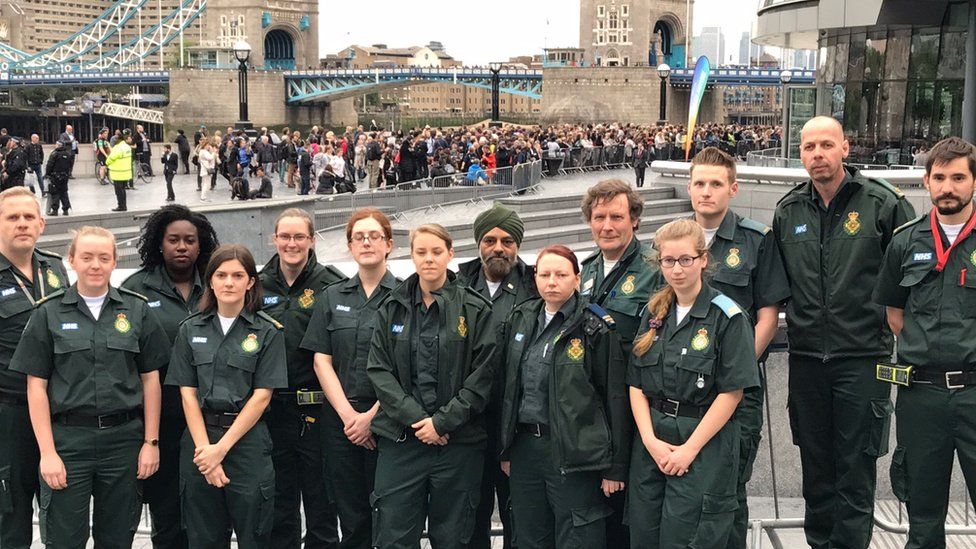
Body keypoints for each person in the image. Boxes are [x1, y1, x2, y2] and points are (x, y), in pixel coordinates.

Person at [771, 116, 915, 549]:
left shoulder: (884, 203)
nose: (817, 154)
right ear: (800, 153)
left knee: (855, 470)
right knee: (815, 469)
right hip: (807, 359)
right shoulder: (787, 210)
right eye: (809, 146)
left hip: (863, 359)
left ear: (845, 148)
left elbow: (910, 276)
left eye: (826, 145)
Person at [10, 226, 169, 548]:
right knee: (64, 538)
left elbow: (151, 379)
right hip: (69, 443)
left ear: (113, 262)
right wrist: (47, 453)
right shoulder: (48, 313)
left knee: (118, 537)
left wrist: (151, 442)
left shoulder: (136, 310)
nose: (95, 265)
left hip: (122, 442)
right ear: (72, 260)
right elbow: (36, 387)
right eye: (87, 257)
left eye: (103, 258)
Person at [627, 218, 759, 548]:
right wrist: (650, 441)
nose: (677, 269)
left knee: (689, 537)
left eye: (686, 259)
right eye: (668, 261)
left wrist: (689, 450)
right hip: (653, 443)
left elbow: (732, 393)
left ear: (702, 259)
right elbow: (636, 385)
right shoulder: (653, 313)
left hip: (701, 442)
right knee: (645, 534)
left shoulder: (727, 317)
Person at [872, 136, 976, 548]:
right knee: (923, 514)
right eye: (939, 177)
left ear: (973, 182)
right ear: (927, 182)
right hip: (923, 397)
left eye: (958, 177)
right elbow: (894, 315)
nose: (947, 186)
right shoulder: (905, 241)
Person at [366, 223, 496, 549]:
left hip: (457, 444)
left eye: (436, 252)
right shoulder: (391, 307)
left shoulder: (475, 308)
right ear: (410, 255)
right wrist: (417, 419)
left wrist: (441, 422)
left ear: (450, 254)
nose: (429, 259)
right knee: (393, 534)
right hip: (401, 442)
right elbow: (380, 371)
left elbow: (483, 375)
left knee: (454, 538)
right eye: (421, 252)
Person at [686, 147, 791, 549]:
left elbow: (767, 316)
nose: (706, 192)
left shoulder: (755, 239)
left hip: (736, 390)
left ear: (733, 188)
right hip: (683, 390)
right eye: (699, 183)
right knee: (686, 488)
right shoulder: (676, 240)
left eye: (716, 184)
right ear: (689, 188)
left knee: (730, 490)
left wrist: (736, 371)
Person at [497, 245, 627, 549]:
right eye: (544, 274)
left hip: (573, 450)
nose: (551, 281)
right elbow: (508, 389)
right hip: (526, 448)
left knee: (577, 536)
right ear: (535, 278)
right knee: (529, 535)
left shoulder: (594, 326)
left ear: (577, 279)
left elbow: (614, 399)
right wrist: (505, 449)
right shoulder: (522, 319)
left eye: (560, 274)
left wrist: (615, 467)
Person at [165, 244, 288, 548]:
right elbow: (187, 395)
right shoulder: (190, 330)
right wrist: (207, 451)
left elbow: (261, 397)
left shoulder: (267, 333)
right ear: (210, 281)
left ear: (250, 282)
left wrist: (221, 450)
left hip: (246, 444)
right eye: (221, 275)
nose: (229, 282)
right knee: (203, 537)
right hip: (199, 441)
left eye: (238, 275)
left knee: (254, 535)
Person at [301, 208, 399, 549]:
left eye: (374, 236)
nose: (367, 242)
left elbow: (408, 367)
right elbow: (321, 361)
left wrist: (371, 418)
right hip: (341, 424)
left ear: (389, 244)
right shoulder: (332, 296)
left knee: (391, 516)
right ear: (349, 246)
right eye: (359, 237)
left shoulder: (405, 297)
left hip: (389, 422)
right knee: (352, 517)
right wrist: (350, 418)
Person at [122, 204, 218, 548]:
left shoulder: (217, 282)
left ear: (200, 243)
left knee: (207, 515)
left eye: (189, 240)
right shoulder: (136, 289)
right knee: (166, 514)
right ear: (158, 244)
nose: (182, 247)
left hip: (211, 420)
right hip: (160, 421)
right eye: (173, 240)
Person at [259, 208, 345, 547]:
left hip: (319, 412)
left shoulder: (332, 285)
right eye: (285, 236)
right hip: (272, 412)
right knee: (280, 507)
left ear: (311, 240)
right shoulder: (257, 283)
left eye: (299, 237)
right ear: (274, 239)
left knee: (322, 506)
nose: (291, 243)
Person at [579, 178, 655, 547]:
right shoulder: (586, 270)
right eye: (598, 217)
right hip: (588, 408)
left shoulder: (654, 271)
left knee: (625, 517)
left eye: (616, 217)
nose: (607, 226)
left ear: (634, 220)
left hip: (632, 409)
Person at [456, 203, 538, 549]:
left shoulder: (534, 285)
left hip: (515, 424)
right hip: (468, 422)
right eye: (490, 240)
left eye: (507, 240)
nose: (498, 248)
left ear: (517, 245)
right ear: (479, 243)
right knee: (469, 512)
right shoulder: (457, 283)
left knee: (516, 513)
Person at [0, 187, 68, 549]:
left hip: (57, 411)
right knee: (9, 514)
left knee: (60, 510)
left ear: (41, 224)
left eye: (29, 217)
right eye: (12, 217)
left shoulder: (54, 267)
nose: (22, 224)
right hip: (8, 413)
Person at [106, 133, 134, 212]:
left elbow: (111, 157)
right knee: (123, 190)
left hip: (118, 173)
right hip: (125, 172)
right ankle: (124, 205)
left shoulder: (118, 148)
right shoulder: (127, 147)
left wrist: (106, 163)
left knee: (118, 191)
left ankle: (121, 206)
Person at [44, 139, 73, 216]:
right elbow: (70, 165)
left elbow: (49, 165)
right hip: (65, 176)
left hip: (55, 176)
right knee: (64, 192)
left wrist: (47, 174)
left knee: (55, 193)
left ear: (58, 145)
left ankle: (55, 210)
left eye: (56, 144)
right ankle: (66, 209)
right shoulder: (68, 154)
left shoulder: (54, 154)